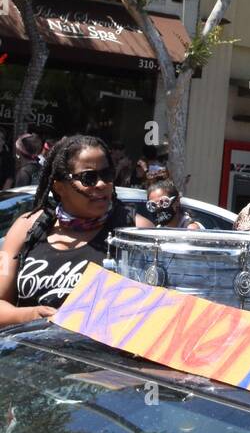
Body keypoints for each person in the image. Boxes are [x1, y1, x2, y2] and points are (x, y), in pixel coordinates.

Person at [0, 134, 135, 323]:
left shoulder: (133, 229)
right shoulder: (27, 227)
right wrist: (31, 315)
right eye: (89, 178)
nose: (102, 184)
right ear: (60, 187)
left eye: (107, 175)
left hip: (92, 353)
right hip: (28, 349)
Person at [135, 177, 202, 231]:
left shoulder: (190, 229)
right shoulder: (159, 230)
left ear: (177, 201)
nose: (158, 207)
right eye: (152, 205)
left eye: (164, 202)